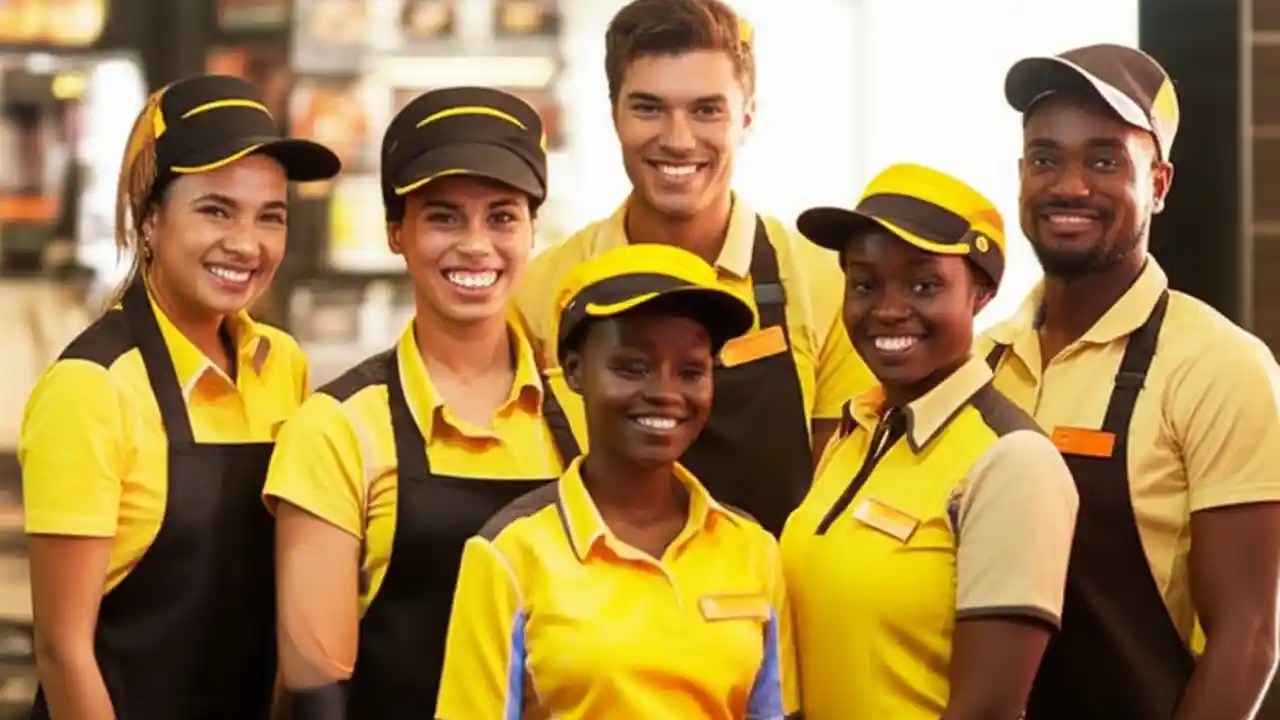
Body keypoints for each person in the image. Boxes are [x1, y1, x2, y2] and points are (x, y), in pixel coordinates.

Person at [18, 75, 339, 719]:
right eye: (216, 209)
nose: (247, 244)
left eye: (269, 217)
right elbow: (63, 651)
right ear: (150, 219)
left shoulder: (283, 367)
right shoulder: (91, 387)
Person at [982, 43, 1280, 719]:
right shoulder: (982, 363)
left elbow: (1250, 638)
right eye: (1046, 158)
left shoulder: (1219, 367)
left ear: (1160, 183)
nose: (1069, 185)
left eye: (1105, 159)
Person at [264, 87, 582, 719]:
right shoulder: (336, 430)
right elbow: (314, 691)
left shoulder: (583, 415)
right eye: (443, 216)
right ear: (395, 232)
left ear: (532, 233)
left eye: (502, 216)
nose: (475, 245)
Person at [514, 0, 873, 536]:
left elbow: (834, 512)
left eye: (707, 110)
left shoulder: (825, 284)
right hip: (591, 613)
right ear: (613, 112)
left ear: (746, 116)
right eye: (649, 108)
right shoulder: (538, 294)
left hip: (764, 609)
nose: (678, 139)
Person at [437, 243, 799, 719]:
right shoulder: (509, 555)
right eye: (632, 367)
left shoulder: (752, 550)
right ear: (573, 371)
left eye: (691, 371)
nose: (665, 393)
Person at [781, 163, 1079, 719]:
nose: (888, 310)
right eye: (864, 284)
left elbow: (987, 710)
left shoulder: (1010, 461)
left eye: (924, 285)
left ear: (981, 294)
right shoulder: (856, 435)